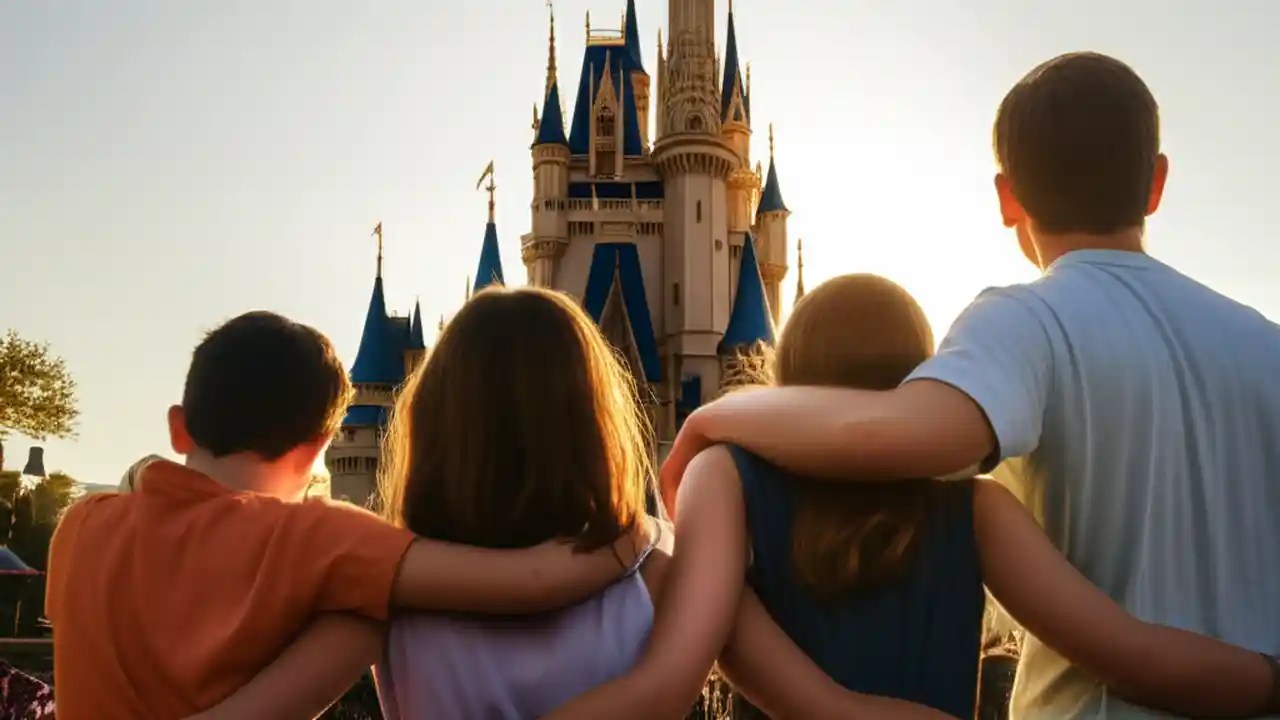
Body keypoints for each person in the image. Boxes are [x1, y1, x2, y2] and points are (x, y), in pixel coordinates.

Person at [659, 52, 1280, 718]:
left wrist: (715, 422)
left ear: (1007, 197)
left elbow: (902, 434)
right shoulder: (1267, 345)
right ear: (1155, 183)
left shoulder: (1027, 323)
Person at [546, 274, 1280, 719]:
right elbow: (1130, 652)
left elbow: (671, 684)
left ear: (789, 367)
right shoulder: (975, 507)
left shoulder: (723, 479)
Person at [198, 288, 949, 720]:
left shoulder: (379, 597)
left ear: (438, 423)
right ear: (594, 422)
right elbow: (823, 708)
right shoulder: (661, 574)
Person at [45, 311, 651, 719]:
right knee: (370, 611)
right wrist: (635, 536)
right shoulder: (320, 540)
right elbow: (535, 582)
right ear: (323, 446)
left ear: (180, 426)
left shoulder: (80, 527)